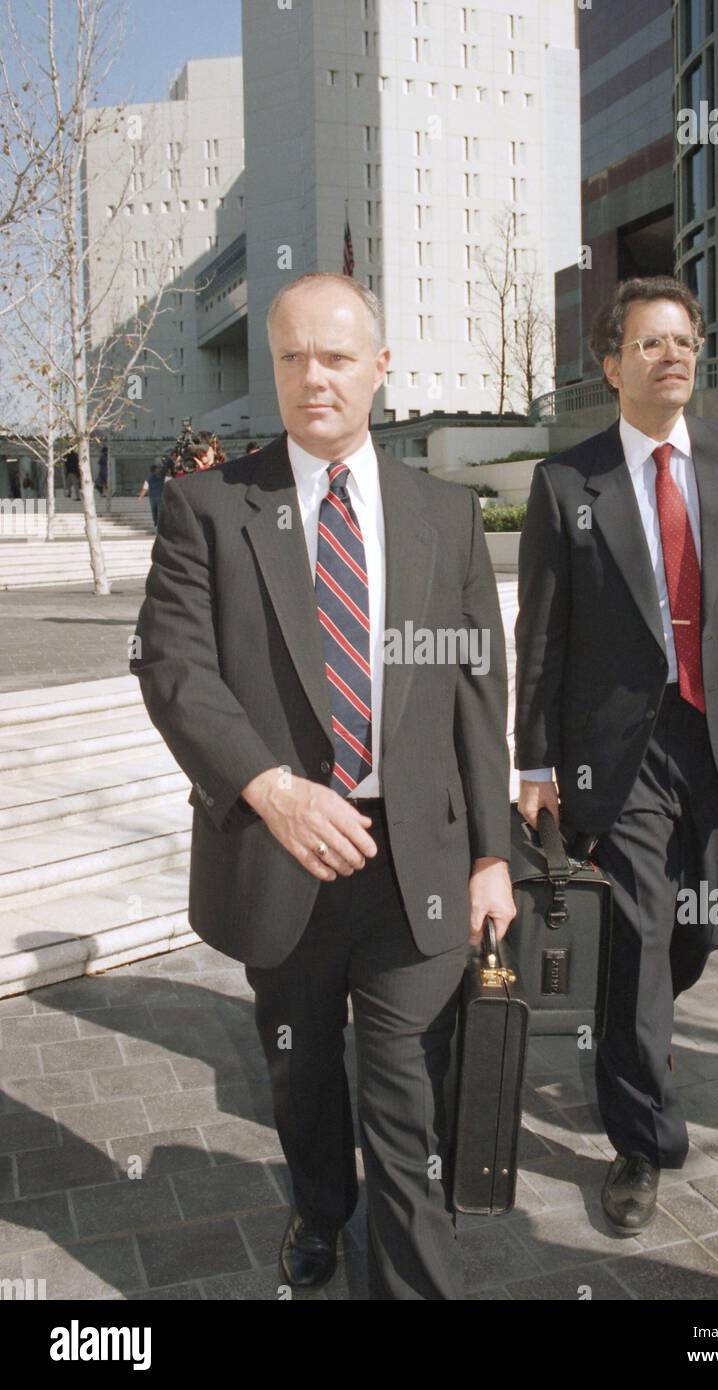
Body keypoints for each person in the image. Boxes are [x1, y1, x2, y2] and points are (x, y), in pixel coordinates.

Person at [130, 271, 514, 1300]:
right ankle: (317, 1204)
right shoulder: (211, 508)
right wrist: (271, 788)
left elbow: (478, 695)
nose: (314, 377)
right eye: (293, 355)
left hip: (413, 864)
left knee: (405, 1109)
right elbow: (174, 668)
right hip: (280, 852)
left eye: (337, 356)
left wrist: (491, 853)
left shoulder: (445, 514)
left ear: (379, 370)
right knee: (301, 1076)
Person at [514, 275, 718, 1236]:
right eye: (650, 342)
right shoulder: (567, 483)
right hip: (619, 754)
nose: (673, 356)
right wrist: (534, 764)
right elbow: (541, 638)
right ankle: (640, 1142)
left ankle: (645, 1023)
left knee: (691, 932)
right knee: (636, 934)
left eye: (685, 342)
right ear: (611, 365)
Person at [138, 464, 165, 531]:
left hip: (154, 497)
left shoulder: (149, 479)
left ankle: (157, 524)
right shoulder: (161, 477)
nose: (158, 471)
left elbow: (145, 488)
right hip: (158, 497)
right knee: (157, 511)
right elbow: (145, 488)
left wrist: (141, 497)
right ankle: (158, 524)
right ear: (155, 470)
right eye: (157, 470)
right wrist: (141, 497)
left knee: (155, 511)